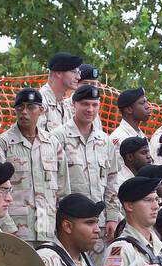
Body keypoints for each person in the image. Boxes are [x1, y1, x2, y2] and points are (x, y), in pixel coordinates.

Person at [0, 88, 66, 246]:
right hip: (15, 230)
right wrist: (8, 228)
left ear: (41, 110)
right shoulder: (3, 143)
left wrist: (63, 228)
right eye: (20, 108)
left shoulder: (52, 143)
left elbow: (63, 189)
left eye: (31, 107)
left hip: (48, 230)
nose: (24, 112)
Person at [50, 84, 120, 242]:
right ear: (74, 104)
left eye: (94, 105)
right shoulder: (56, 138)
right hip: (70, 224)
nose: (90, 109)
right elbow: (52, 182)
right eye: (85, 104)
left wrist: (112, 217)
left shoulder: (105, 141)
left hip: (99, 224)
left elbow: (112, 181)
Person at [38, 52, 82, 135]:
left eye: (78, 72)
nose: (78, 77)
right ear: (58, 73)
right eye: (73, 72)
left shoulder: (65, 106)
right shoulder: (39, 102)